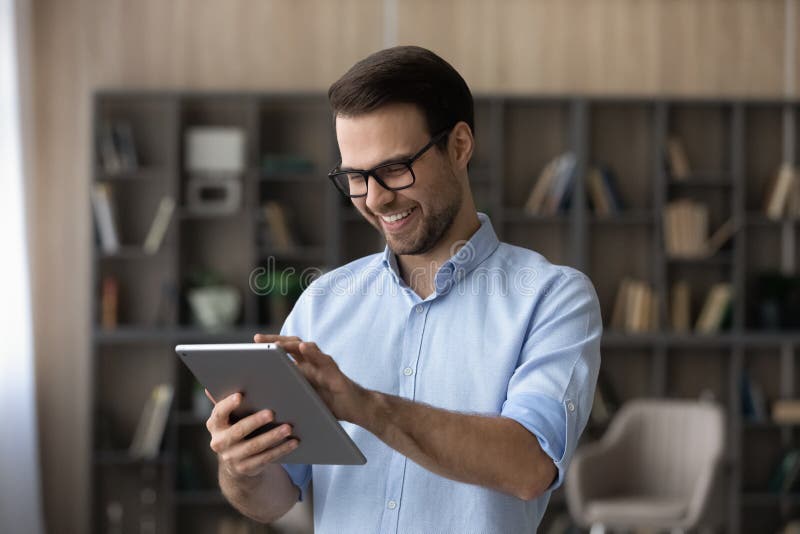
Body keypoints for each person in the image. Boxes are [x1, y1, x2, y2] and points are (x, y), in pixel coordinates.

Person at [204, 45, 602, 533]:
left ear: (459, 146)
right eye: (355, 176)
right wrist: (242, 466)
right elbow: (276, 498)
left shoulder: (553, 298)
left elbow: (529, 467)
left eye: (394, 168)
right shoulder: (323, 303)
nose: (374, 198)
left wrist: (364, 407)